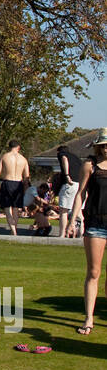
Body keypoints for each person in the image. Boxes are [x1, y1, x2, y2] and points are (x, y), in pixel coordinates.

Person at [69, 129, 107, 336]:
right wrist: (74, 220)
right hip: (95, 222)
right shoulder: (90, 166)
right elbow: (80, 193)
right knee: (93, 272)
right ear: (99, 146)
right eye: (104, 145)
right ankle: (89, 318)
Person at [0, 141, 31, 237]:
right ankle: (14, 229)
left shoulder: (5, 157)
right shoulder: (23, 159)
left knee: (7, 208)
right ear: (18, 147)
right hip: (18, 183)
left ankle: (13, 230)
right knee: (16, 209)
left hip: (8, 182)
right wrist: (25, 188)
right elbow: (27, 177)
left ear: (9, 147)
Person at [55, 143, 83, 239]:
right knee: (78, 211)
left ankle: (62, 234)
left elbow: (64, 159)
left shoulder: (62, 154)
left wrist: (67, 175)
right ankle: (81, 234)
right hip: (79, 184)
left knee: (63, 210)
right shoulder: (76, 158)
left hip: (69, 184)